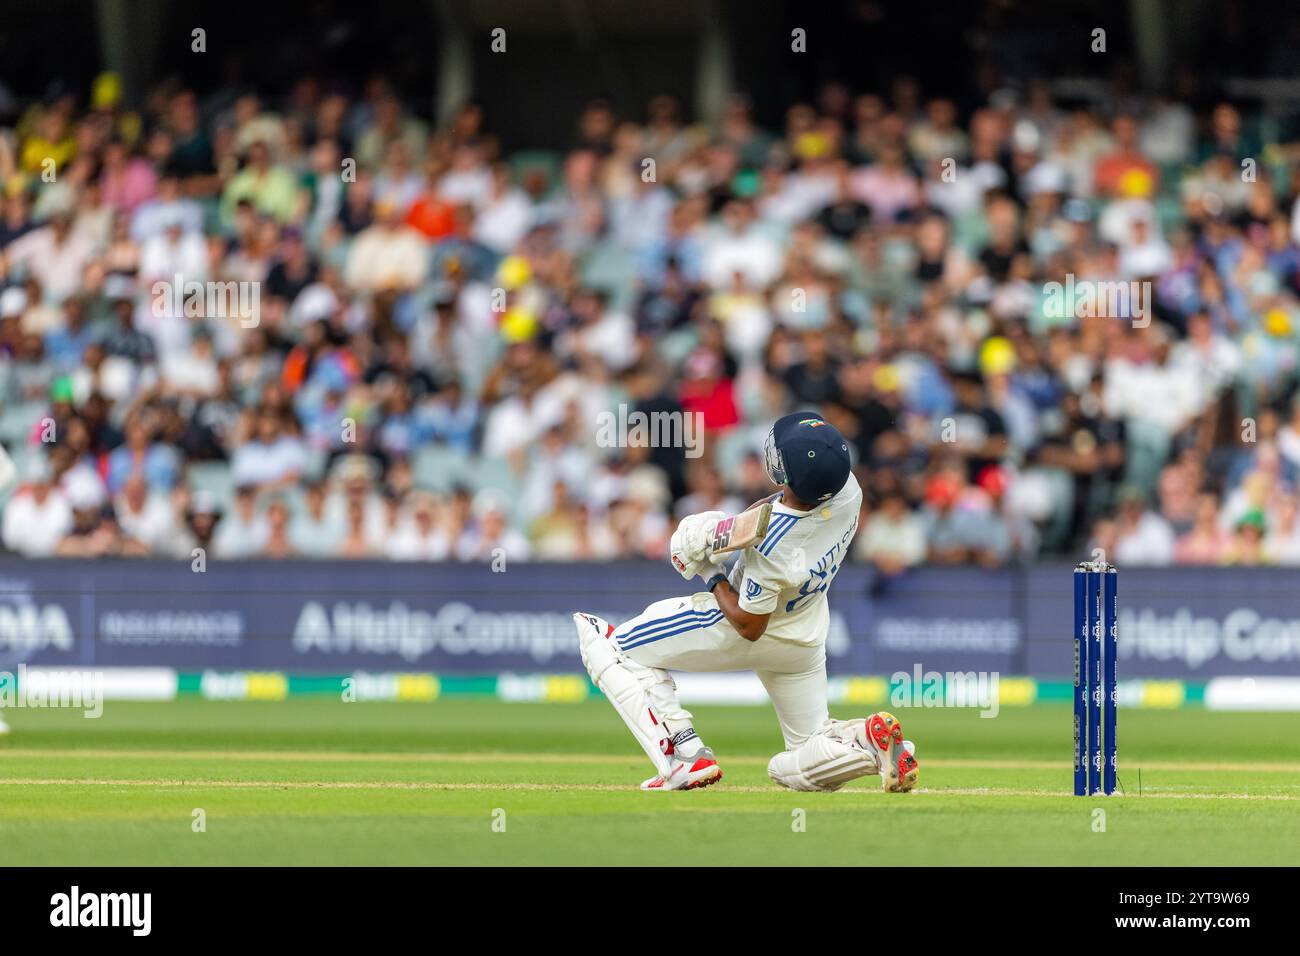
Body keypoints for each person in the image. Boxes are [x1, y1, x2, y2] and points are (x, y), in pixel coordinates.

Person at [573, 412, 920, 792]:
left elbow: (749, 625)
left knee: (611, 647)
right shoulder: (848, 490)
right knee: (791, 765)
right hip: (802, 637)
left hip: (741, 627)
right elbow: (782, 504)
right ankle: (866, 744)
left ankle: (684, 757)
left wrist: (710, 569)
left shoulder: (775, 546)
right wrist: (725, 530)